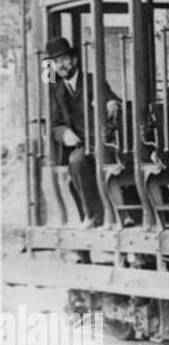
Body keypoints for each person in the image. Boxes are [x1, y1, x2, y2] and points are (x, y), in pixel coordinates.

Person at [44, 35, 121, 227]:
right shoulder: (55, 89)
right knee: (76, 160)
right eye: (56, 62)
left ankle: (120, 216)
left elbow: (111, 100)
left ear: (74, 60)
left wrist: (111, 103)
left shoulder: (92, 81)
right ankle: (92, 216)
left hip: (104, 142)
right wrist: (64, 133)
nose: (61, 65)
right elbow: (54, 124)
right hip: (80, 146)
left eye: (64, 59)